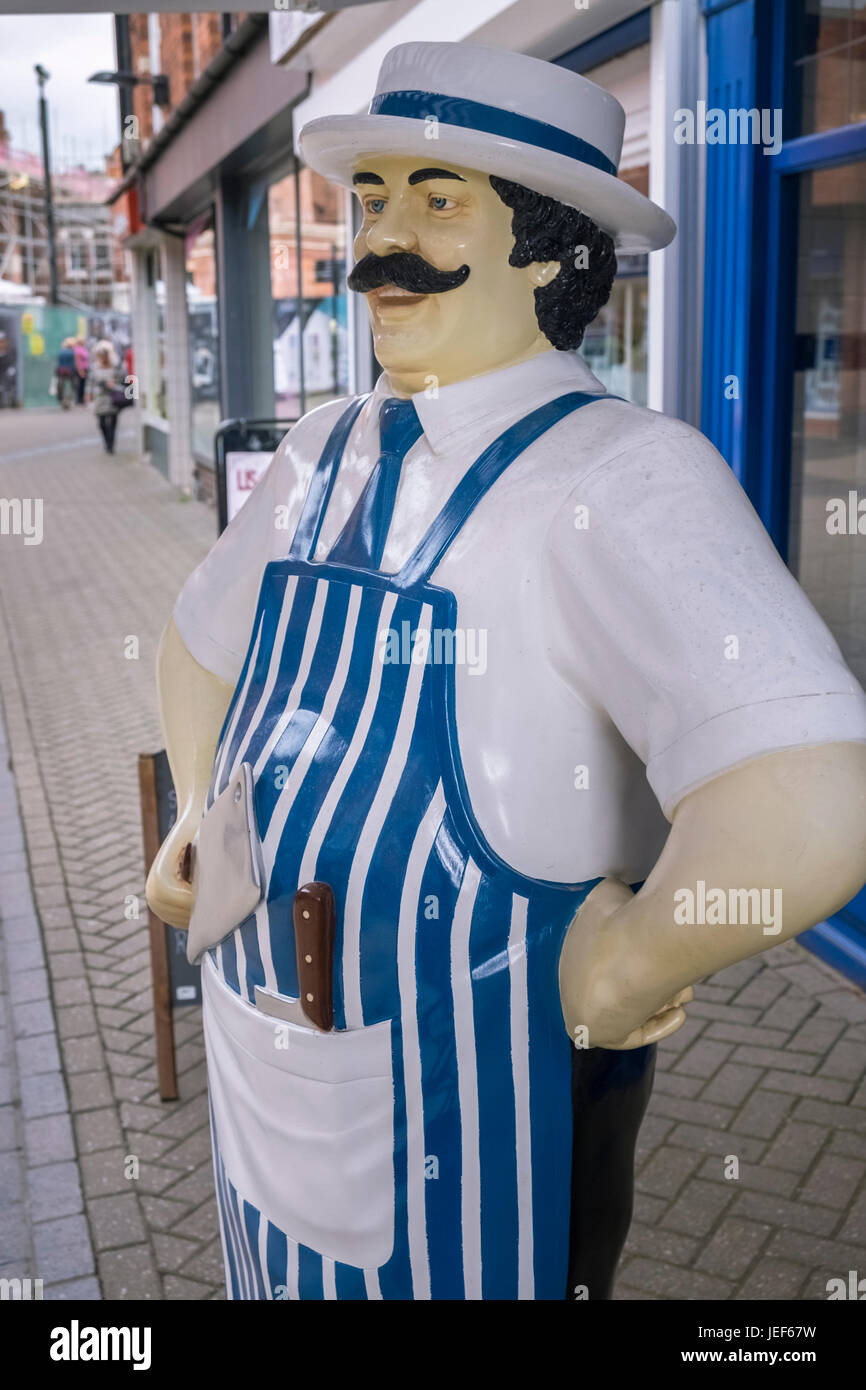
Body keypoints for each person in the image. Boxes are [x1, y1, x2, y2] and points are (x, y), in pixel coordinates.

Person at [146, 42, 866, 1301]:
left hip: (483, 1132)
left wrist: (632, 960)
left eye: (437, 202)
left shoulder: (622, 476)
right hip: (265, 1067)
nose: (382, 239)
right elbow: (199, 645)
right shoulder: (324, 446)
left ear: (549, 247)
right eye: (373, 199)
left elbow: (810, 793)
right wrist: (207, 806)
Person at [91, 340, 120, 454]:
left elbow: (122, 379)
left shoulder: (115, 366)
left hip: (112, 397)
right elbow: (90, 381)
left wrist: (114, 383)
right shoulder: (94, 367)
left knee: (112, 422)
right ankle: (106, 441)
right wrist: (88, 394)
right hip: (100, 397)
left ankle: (111, 445)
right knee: (102, 423)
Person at [55, 337, 76, 410]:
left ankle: (63, 399)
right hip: (70, 370)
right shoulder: (72, 352)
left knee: (61, 386)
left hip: (61, 371)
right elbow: (74, 363)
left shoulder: (61, 351)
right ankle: (68, 400)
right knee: (73, 387)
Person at [73, 337, 90, 406]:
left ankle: (82, 400)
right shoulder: (77, 349)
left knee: (83, 385)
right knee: (79, 385)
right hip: (80, 369)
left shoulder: (83, 348)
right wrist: (80, 371)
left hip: (85, 368)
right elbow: (77, 361)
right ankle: (79, 400)